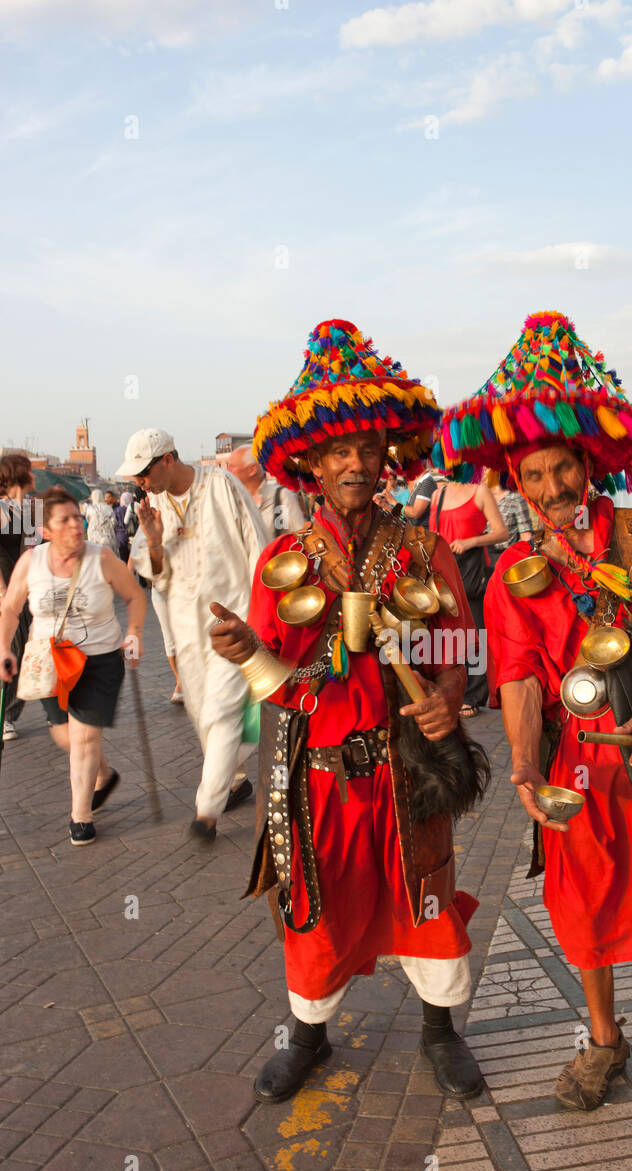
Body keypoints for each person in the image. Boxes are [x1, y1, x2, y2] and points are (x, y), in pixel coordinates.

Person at [437, 309, 632, 1140]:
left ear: (587, 463)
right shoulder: (512, 574)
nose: (547, 491)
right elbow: (519, 682)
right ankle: (604, 1043)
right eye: (529, 477)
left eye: (559, 470)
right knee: (583, 902)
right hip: (580, 767)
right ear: (515, 480)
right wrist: (528, 772)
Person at [210, 318, 488, 1104]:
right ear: (310, 464)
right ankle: (308, 1038)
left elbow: (454, 644)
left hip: (408, 770)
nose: (357, 464)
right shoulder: (279, 560)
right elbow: (276, 684)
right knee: (313, 906)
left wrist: (442, 698)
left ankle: (441, 1032)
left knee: (425, 897)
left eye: (369, 449)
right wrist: (242, 651)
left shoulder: (424, 551)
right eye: (340, 452)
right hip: (318, 773)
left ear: (389, 458)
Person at [120, 428, 268, 839]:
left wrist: (262, 615)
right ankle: (234, 776)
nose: (139, 483)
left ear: (168, 458)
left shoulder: (220, 485)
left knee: (221, 713)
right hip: (187, 631)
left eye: (143, 472)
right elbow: (155, 573)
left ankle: (206, 812)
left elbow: (257, 545)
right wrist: (152, 542)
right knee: (204, 716)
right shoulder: (154, 508)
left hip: (231, 624)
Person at [0, 487, 145, 844]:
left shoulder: (103, 558)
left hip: (99, 659)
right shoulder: (31, 562)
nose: (76, 526)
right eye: (64, 521)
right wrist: (4, 647)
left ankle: (81, 816)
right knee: (63, 733)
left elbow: (135, 596)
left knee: (83, 736)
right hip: (50, 661)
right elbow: (10, 608)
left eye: (77, 519)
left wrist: (134, 633)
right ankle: (104, 774)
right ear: (46, 531)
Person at [428, 477, 508, 714]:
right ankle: (449, 689)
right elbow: (433, 533)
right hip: (442, 568)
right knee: (445, 631)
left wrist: (471, 541)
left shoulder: (480, 491)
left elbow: (502, 532)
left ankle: (474, 695)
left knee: (474, 631)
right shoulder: (437, 493)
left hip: (471, 569)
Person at [0, 452, 35, 742]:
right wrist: (2, 591)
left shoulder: (31, 508)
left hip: (23, 587)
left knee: (23, 648)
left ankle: (10, 711)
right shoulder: (1, 507)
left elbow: (31, 550)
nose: (34, 475)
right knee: (12, 647)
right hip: (4, 588)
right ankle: (5, 716)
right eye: (29, 470)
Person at [223, 444, 306, 541]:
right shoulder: (230, 501)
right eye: (228, 466)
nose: (227, 471)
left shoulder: (281, 498)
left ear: (252, 470)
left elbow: (300, 537)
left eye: (232, 466)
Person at [486, 469, 534, 552]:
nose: (481, 471)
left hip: (504, 555)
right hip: (479, 558)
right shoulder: (478, 498)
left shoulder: (514, 499)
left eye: (486, 468)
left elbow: (525, 535)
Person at [82, 489, 119, 553]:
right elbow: (114, 523)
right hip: (108, 538)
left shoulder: (90, 509)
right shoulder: (108, 508)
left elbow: (88, 519)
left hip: (93, 538)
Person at [104, 489, 130, 562]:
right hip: (113, 538)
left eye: (108, 497)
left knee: (123, 558)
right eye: (105, 497)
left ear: (113, 498)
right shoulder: (106, 509)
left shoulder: (119, 509)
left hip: (120, 537)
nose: (106, 499)